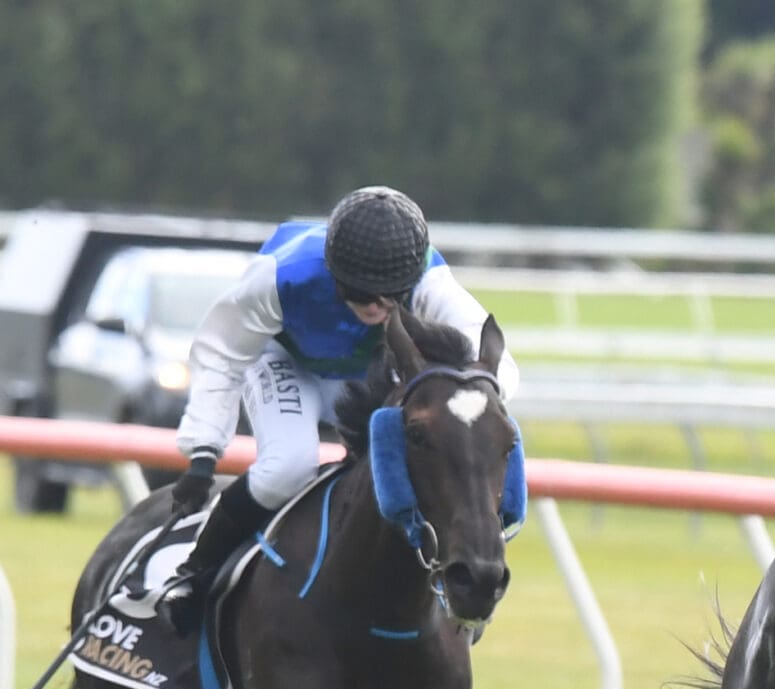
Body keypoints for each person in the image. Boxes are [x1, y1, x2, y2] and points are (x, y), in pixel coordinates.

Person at [155, 186, 521, 633]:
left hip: (367, 373)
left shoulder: (432, 283)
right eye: (361, 293)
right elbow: (220, 351)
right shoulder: (280, 277)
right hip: (286, 363)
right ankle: (193, 573)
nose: (375, 307)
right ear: (334, 273)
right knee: (287, 466)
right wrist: (203, 450)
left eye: (389, 296)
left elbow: (496, 369)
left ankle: (455, 578)